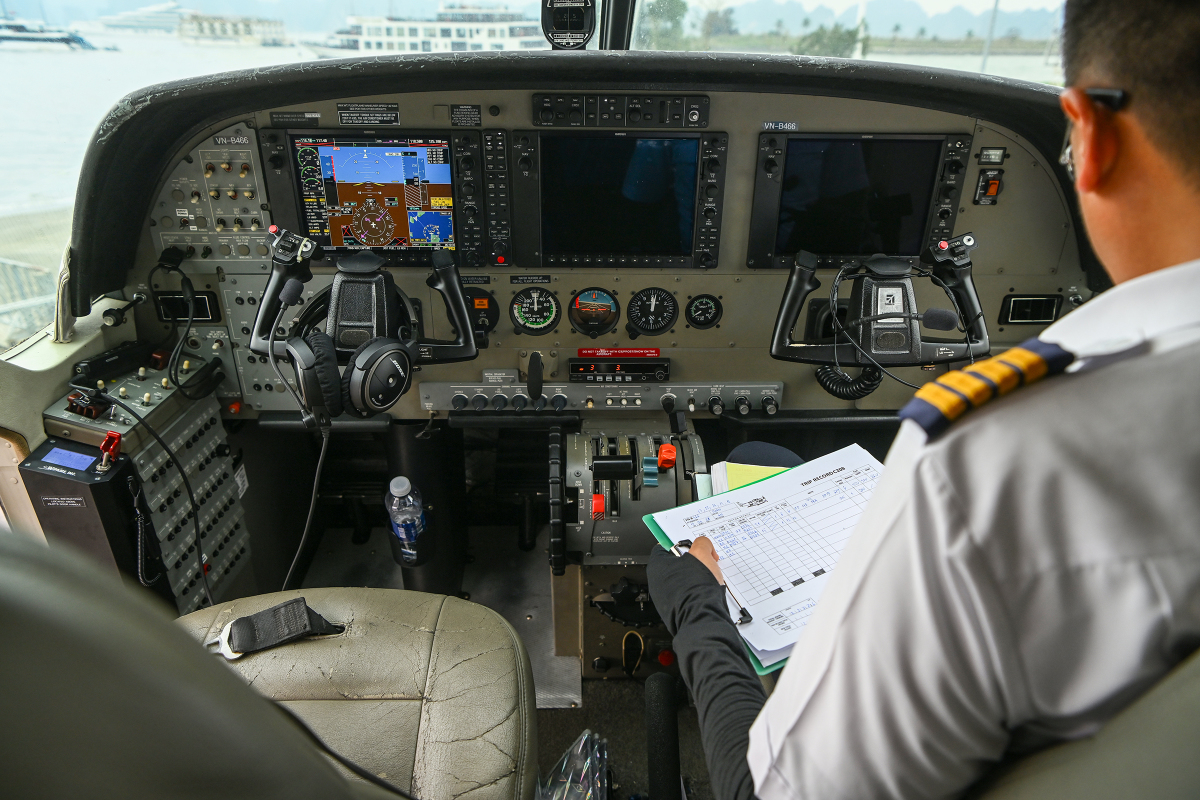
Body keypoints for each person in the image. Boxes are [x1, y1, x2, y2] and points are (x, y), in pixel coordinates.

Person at [646, 1, 1200, 797]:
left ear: (1092, 134)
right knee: (764, 455)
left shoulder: (989, 467)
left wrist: (702, 605)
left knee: (690, 549)